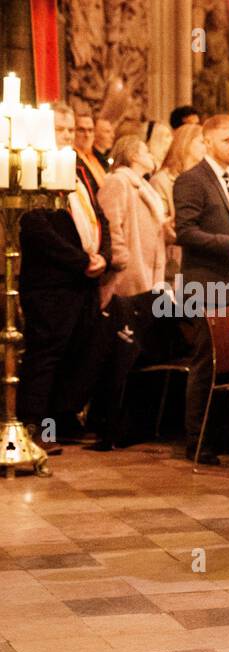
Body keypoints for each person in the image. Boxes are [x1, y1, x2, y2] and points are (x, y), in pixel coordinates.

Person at [17, 102, 110, 457]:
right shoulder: (33, 169)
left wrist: (105, 254)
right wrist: (81, 260)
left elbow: (96, 214)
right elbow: (35, 228)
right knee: (47, 356)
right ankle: (39, 430)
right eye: (61, 130)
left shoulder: (78, 167)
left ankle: (62, 421)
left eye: (71, 130)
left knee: (77, 354)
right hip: (52, 283)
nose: (68, 137)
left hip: (84, 279)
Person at [171, 114, 229, 465]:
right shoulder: (192, 180)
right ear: (208, 142)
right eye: (228, 140)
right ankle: (197, 439)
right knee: (208, 361)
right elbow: (184, 232)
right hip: (203, 284)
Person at [98, 135, 169, 305]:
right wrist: (121, 258)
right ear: (134, 156)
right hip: (129, 271)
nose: (152, 156)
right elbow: (110, 223)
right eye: (147, 152)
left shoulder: (143, 185)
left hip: (146, 268)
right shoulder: (118, 181)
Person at [152, 123, 207, 280]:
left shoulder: (202, 179)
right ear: (186, 143)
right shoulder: (162, 180)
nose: (207, 147)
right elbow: (160, 225)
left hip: (200, 259)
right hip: (173, 261)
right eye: (201, 142)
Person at [74, 110, 108, 193]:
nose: (87, 135)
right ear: (73, 132)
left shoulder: (96, 158)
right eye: (81, 130)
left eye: (90, 130)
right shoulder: (73, 160)